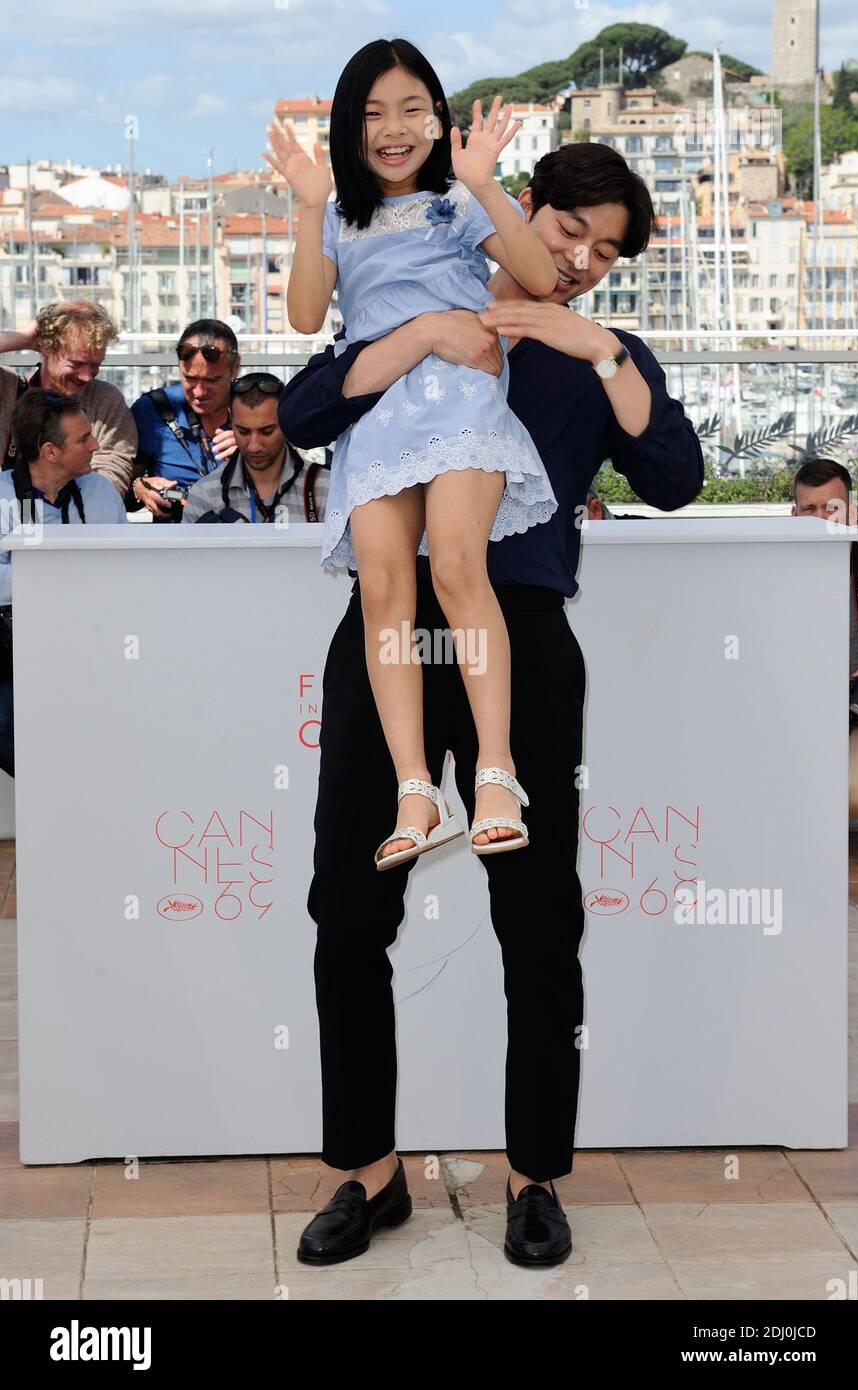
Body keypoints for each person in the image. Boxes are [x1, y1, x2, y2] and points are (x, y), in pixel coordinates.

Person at [277, 137, 704, 1266]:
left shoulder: (591, 348)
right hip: (387, 636)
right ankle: (366, 1173)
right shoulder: (423, 287)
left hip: (521, 636)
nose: (579, 261)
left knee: (536, 917)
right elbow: (309, 407)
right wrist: (415, 335)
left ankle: (534, 1178)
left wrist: (600, 348)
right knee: (347, 905)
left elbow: (671, 477)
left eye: (605, 252)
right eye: (568, 232)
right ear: (519, 209)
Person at [265, 38, 560, 871]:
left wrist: (485, 183)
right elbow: (304, 313)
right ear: (346, 129)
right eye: (371, 114)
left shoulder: (457, 203)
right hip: (379, 417)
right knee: (384, 592)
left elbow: (538, 274)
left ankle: (497, 777)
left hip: (461, 398)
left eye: (410, 109)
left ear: (435, 115)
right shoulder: (338, 214)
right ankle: (415, 788)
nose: (393, 129)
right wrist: (308, 207)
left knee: (457, 569)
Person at [0, 389, 128, 777]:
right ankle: (57, 789)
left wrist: (36, 569)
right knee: (7, 724)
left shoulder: (101, 491)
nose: (95, 445)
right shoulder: (3, 495)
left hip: (97, 641)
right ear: (50, 451)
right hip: (14, 649)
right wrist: (68, 572)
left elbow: (125, 568)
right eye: (83, 439)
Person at [789, 456, 858, 826]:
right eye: (810, 509)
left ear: (854, 513)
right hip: (799, 711)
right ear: (794, 516)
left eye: (832, 508)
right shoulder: (773, 574)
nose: (821, 519)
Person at [0, 303, 137, 500]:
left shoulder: (105, 400)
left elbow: (112, 478)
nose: (86, 377)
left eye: (95, 366)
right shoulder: (8, 389)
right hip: (8, 517)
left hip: (78, 521)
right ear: (46, 348)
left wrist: (55, 514)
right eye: (77, 364)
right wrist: (24, 338)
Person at [130, 319, 241, 522]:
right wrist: (141, 489)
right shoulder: (152, 409)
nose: (199, 392)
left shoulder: (259, 409)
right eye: (189, 378)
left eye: (212, 380)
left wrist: (254, 450)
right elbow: (120, 489)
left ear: (235, 368)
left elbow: (295, 480)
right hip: (174, 546)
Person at [182, 372, 330, 523]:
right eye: (243, 431)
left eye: (267, 432)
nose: (254, 446)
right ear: (230, 419)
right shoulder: (204, 494)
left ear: (287, 421)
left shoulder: (327, 489)